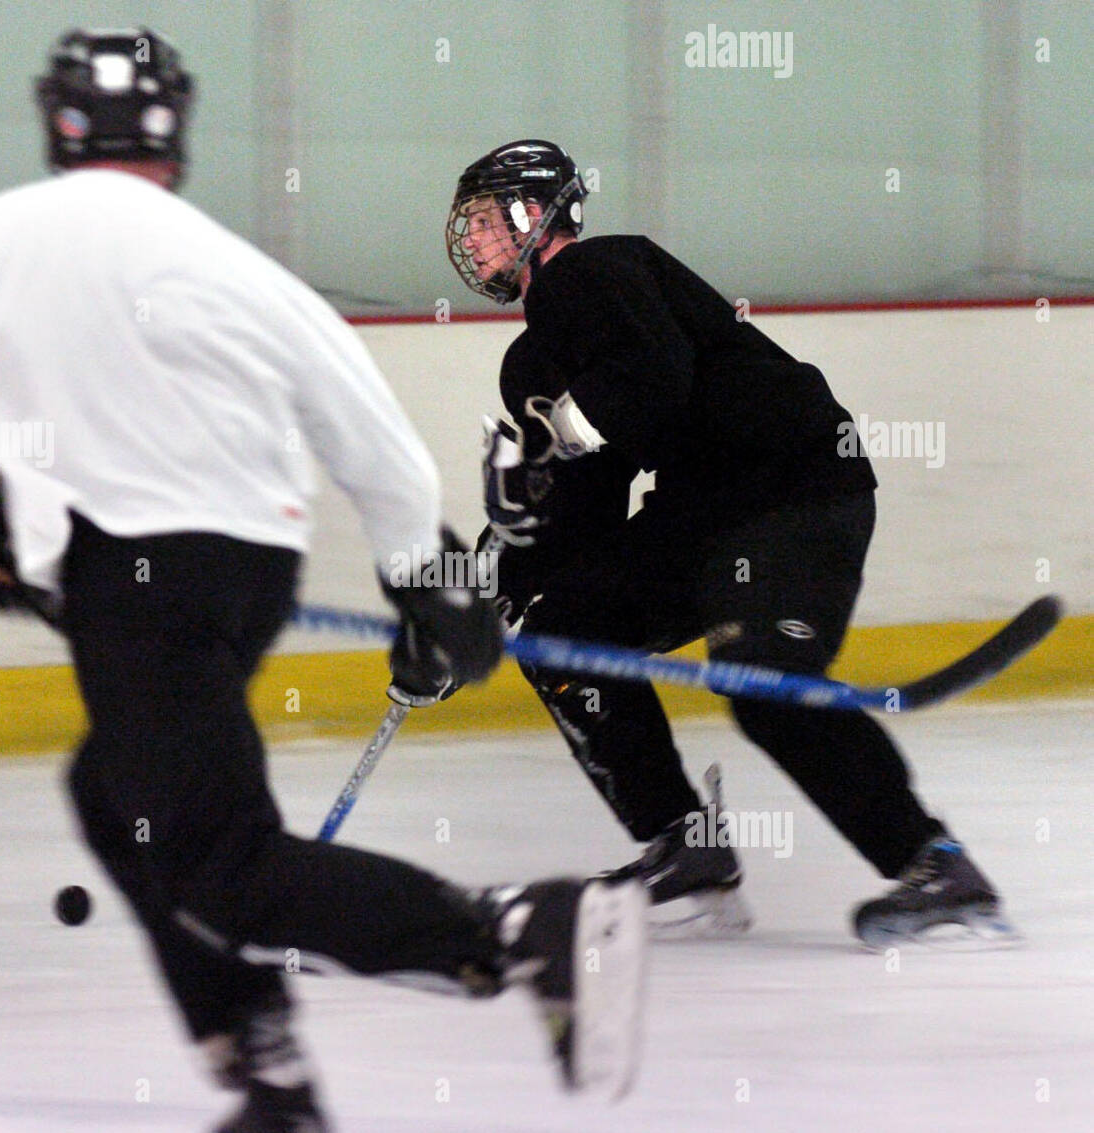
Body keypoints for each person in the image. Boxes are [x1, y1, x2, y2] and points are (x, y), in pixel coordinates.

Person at [0, 40, 647, 1133]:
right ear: (174, 136)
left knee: (220, 863)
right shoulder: (226, 260)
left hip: (129, 573)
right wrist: (422, 576)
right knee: (113, 798)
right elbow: (368, 430)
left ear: (55, 127)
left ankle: (512, 930)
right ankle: (263, 1064)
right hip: (250, 569)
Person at [390, 137, 1013, 947]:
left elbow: (654, 377)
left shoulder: (601, 269)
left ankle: (935, 864)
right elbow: (579, 509)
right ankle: (686, 846)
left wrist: (557, 440)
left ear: (530, 214)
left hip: (793, 484)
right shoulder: (533, 361)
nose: (469, 241)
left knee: (760, 684)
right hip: (703, 516)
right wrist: (481, 593)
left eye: (480, 220)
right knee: (564, 629)